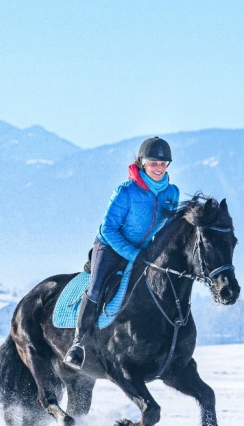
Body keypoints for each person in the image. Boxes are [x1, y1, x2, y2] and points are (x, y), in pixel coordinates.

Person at [64, 137, 180, 369]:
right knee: (97, 288)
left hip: (145, 251)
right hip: (110, 246)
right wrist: (133, 253)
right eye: (153, 163)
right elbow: (108, 228)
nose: (159, 168)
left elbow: (168, 229)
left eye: (163, 164)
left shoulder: (172, 193)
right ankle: (78, 344)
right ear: (142, 163)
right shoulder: (126, 191)